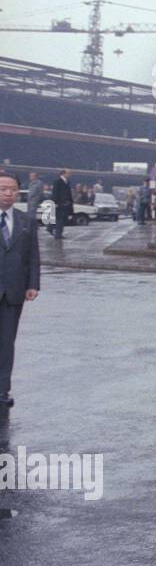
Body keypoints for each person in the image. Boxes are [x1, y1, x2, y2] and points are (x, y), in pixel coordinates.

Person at [0, 173, 40, 409]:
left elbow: (33, 256)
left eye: (12, 190)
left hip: (13, 292)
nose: (8, 193)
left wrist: (33, 284)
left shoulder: (26, 221)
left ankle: (2, 389)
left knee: (6, 342)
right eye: (3, 189)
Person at [51, 168, 73, 239]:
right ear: (63, 173)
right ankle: (57, 234)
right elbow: (55, 193)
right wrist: (55, 203)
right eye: (68, 173)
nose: (70, 175)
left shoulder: (67, 182)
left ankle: (59, 233)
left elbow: (68, 193)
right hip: (60, 204)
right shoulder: (57, 182)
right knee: (59, 219)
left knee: (62, 219)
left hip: (66, 204)